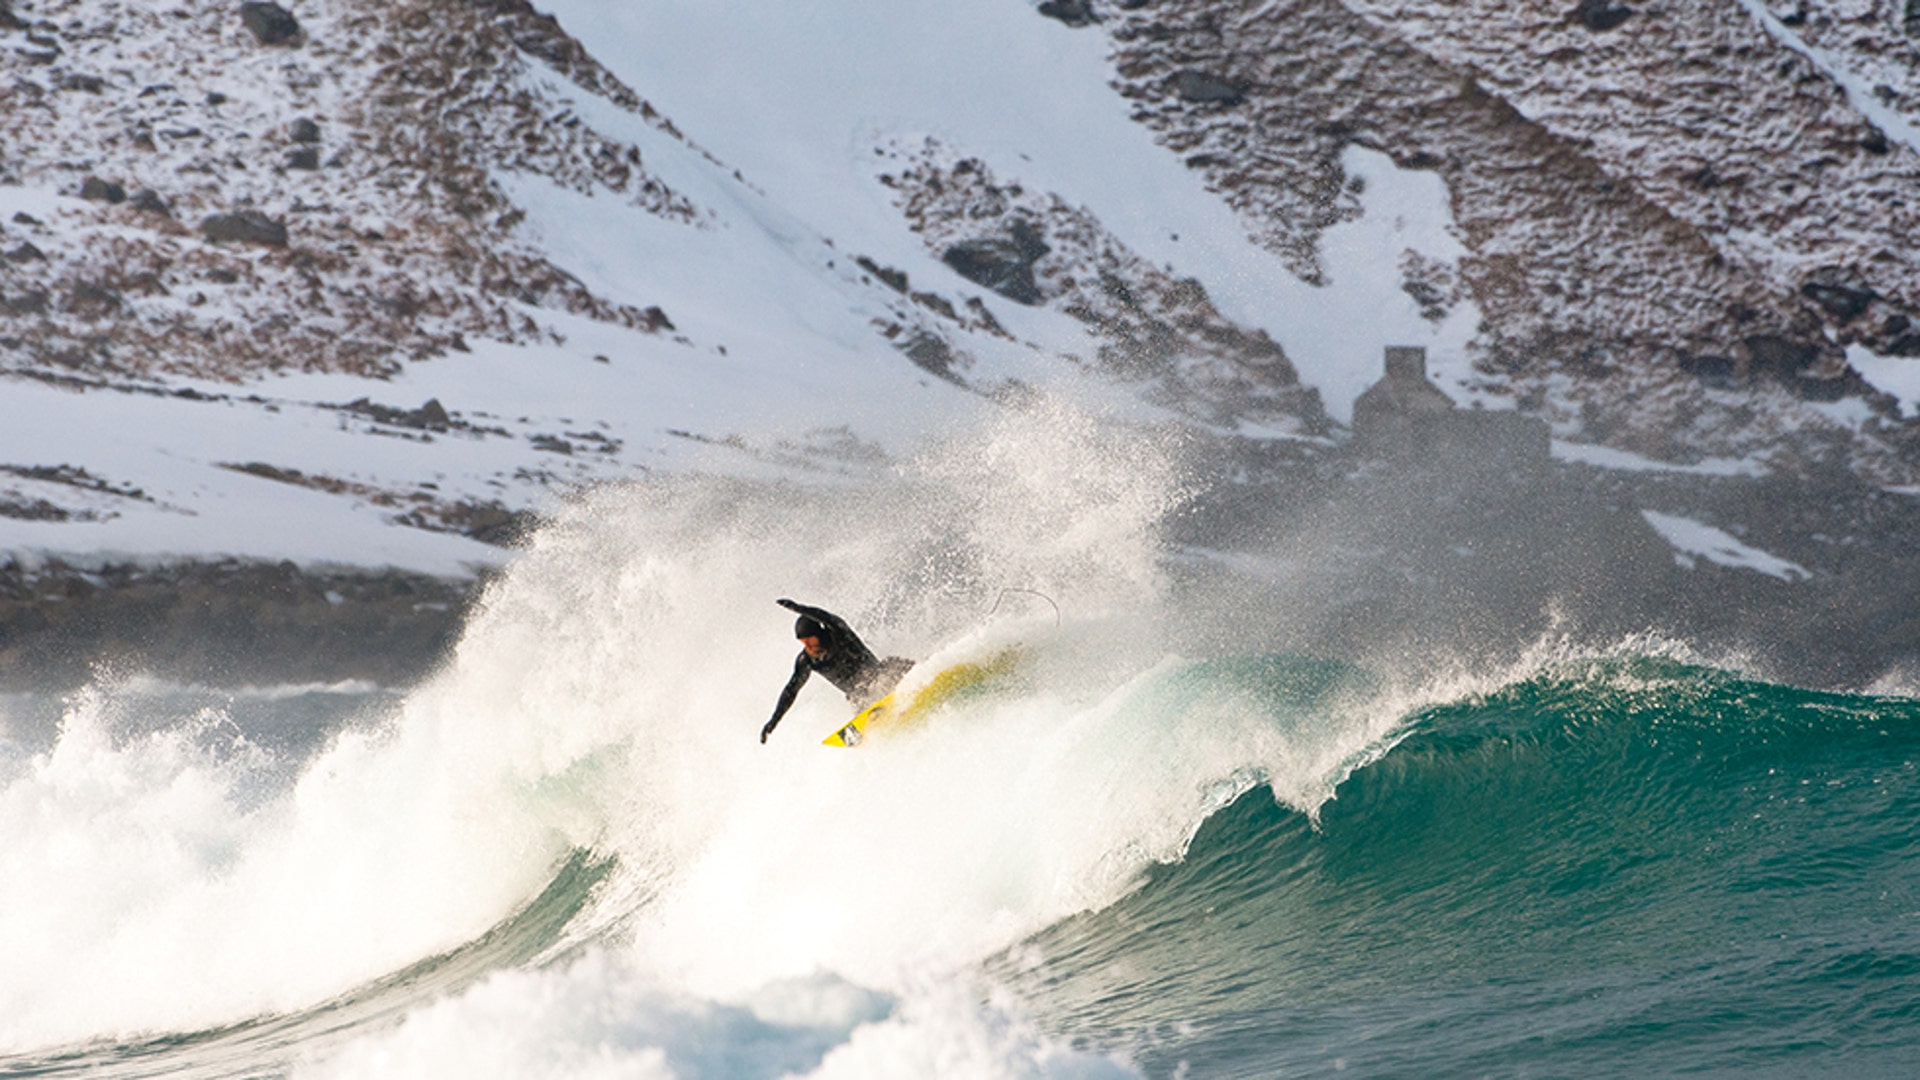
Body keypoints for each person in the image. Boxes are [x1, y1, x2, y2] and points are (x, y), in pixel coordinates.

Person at [761, 598, 913, 743]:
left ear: (819, 633)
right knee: (858, 697)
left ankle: (927, 672)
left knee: (891, 665)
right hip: (861, 698)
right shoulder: (807, 660)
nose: (807, 646)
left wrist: (799, 608)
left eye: (809, 640)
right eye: (802, 642)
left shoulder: (838, 634)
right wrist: (773, 721)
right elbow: (791, 690)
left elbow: (826, 617)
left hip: (881, 677)